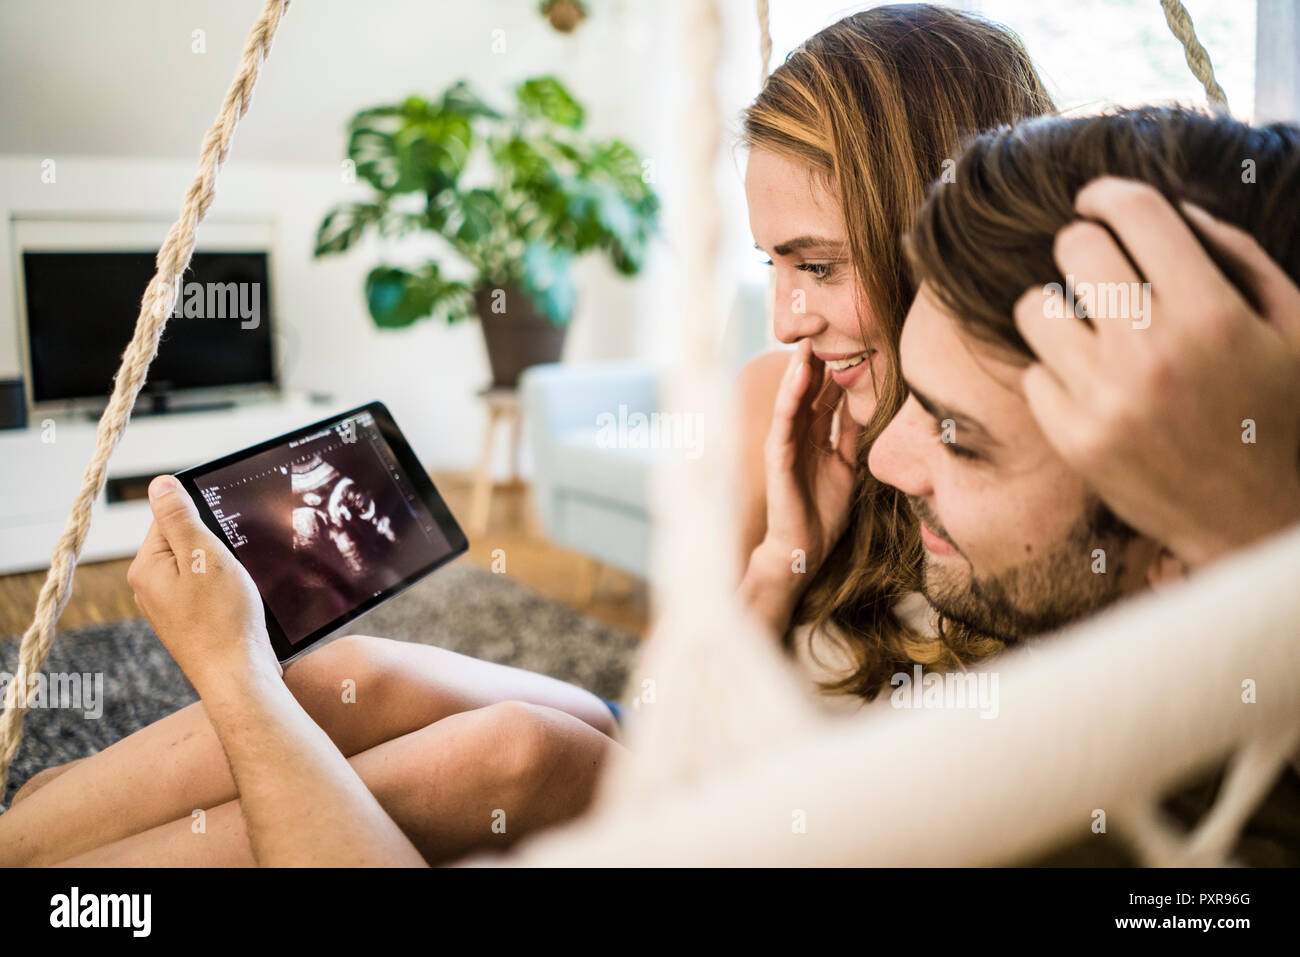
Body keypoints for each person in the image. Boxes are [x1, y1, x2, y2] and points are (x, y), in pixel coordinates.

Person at [0, 3, 1056, 866]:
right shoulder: (791, 403)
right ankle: (30, 835)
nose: (786, 317)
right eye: (770, 265)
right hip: (687, 753)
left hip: (761, 817)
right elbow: (661, 710)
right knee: (352, 672)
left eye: (819, 266)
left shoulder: (1052, 481)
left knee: (497, 753)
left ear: (943, 232)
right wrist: (780, 563)